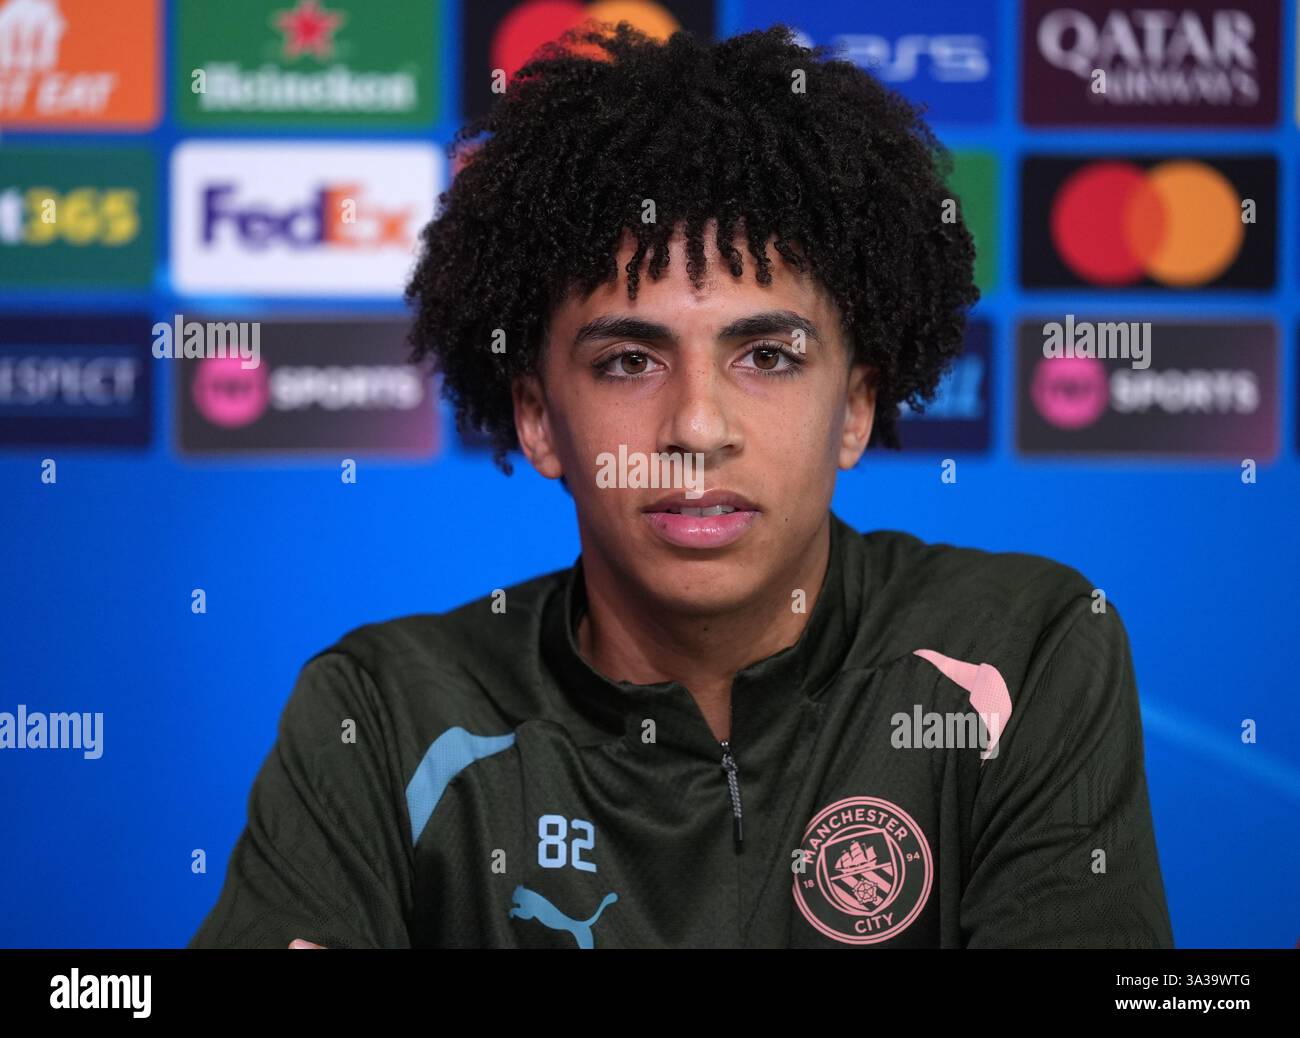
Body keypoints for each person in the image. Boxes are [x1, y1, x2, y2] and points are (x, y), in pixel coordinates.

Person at [188, 22, 1173, 949]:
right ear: (538, 418)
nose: (698, 427)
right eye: (627, 361)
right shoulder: (385, 713)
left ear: (857, 408)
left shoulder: (1023, 651)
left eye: (768, 357)